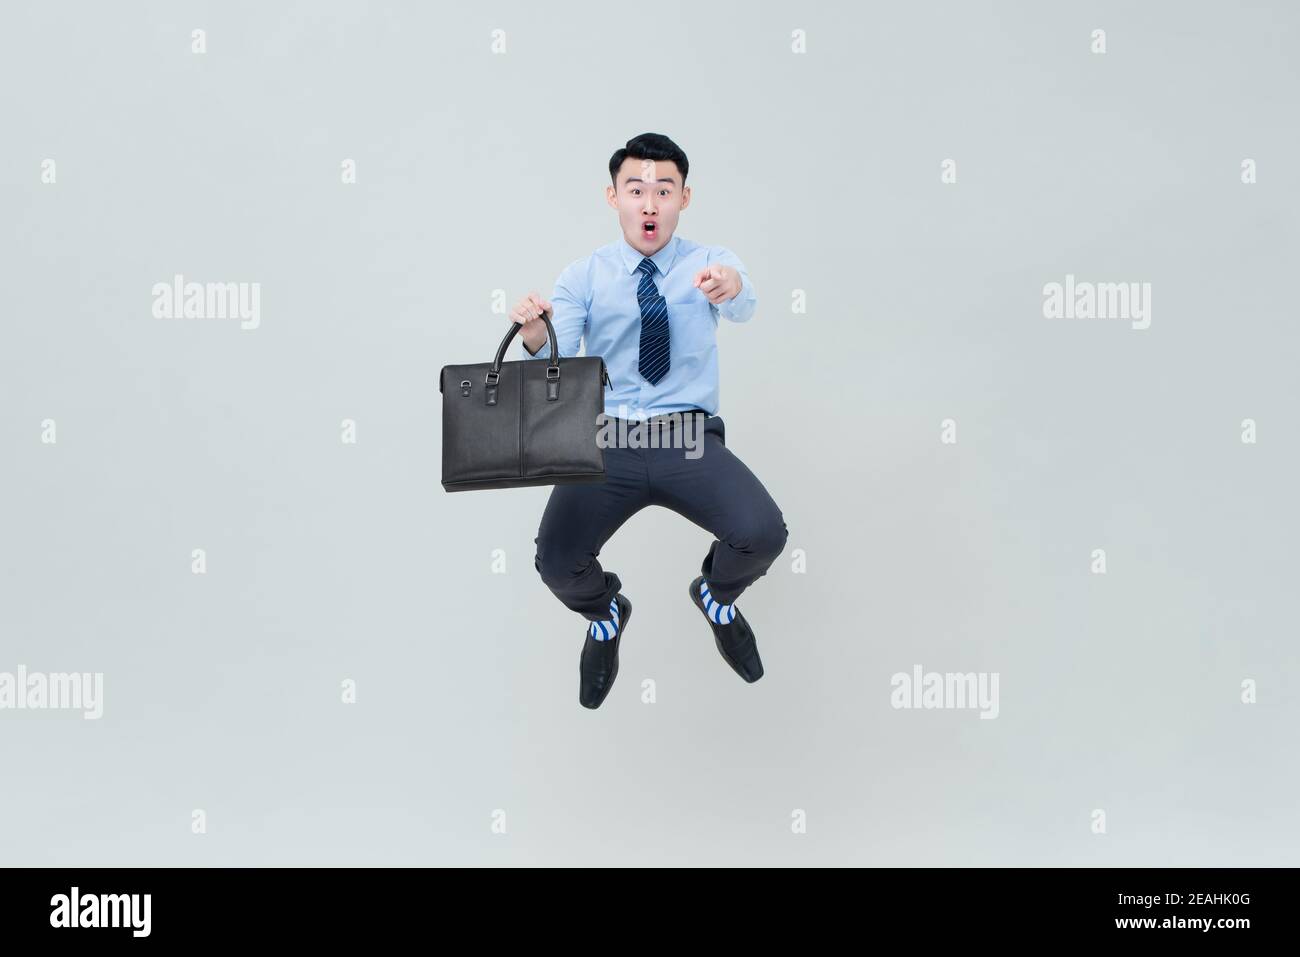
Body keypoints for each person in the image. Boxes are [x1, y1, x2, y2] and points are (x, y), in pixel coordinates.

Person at [511, 133, 788, 709]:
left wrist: (730, 287)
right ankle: (606, 616)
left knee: (762, 534)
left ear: (684, 197)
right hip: (606, 440)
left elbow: (743, 301)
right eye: (636, 190)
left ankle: (716, 598)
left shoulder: (710, 262)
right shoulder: (584, 275)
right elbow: (552, 352)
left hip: (686, 438)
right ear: (613, 197)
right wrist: (536, 332)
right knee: (557, 563)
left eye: (663, 190)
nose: (650, 204)